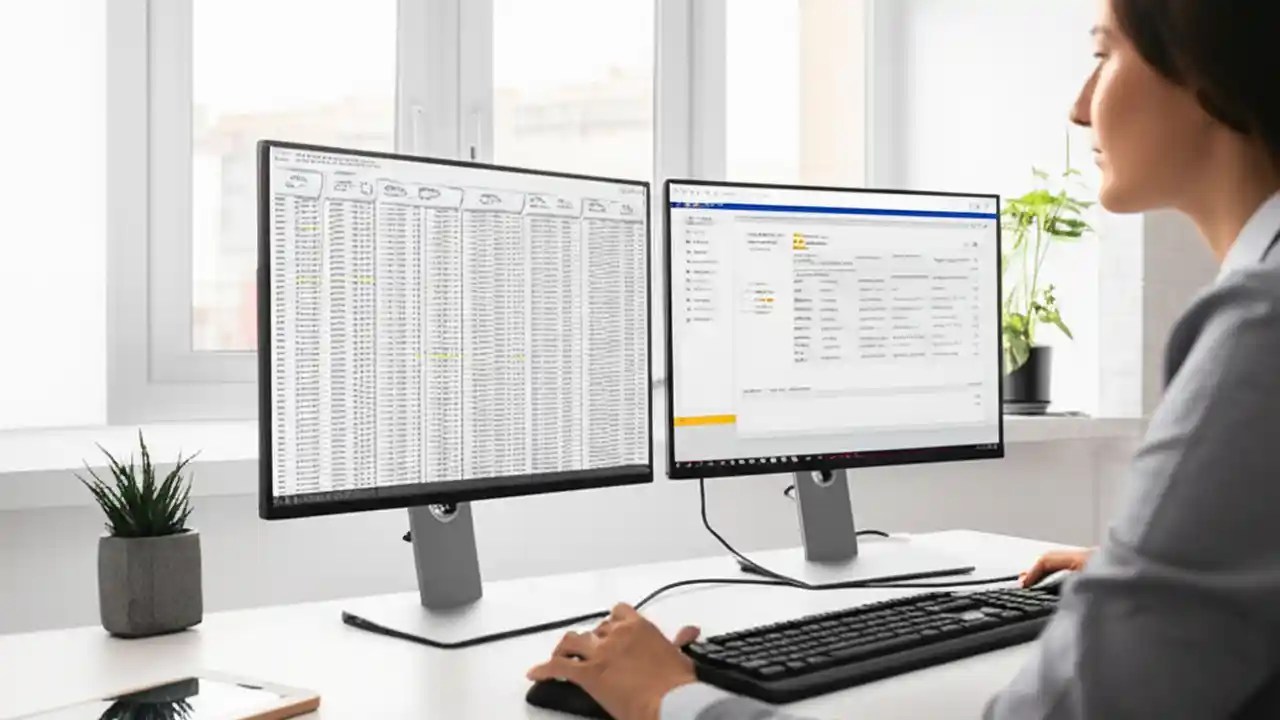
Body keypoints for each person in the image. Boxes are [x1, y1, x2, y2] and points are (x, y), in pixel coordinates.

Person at [528, 0, 1280, 717]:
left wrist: (670, 698)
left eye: (1102, 55)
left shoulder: (1258, 330)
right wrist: (1165, 574)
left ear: (1205, 64)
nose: (1080, 106)